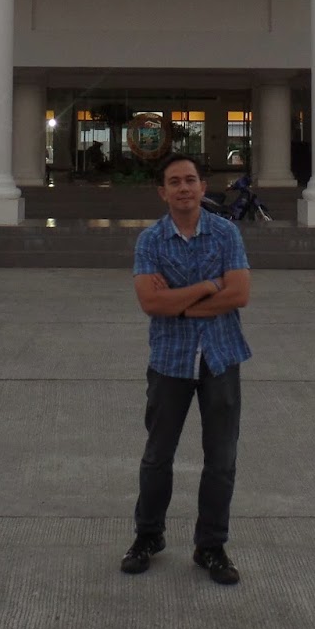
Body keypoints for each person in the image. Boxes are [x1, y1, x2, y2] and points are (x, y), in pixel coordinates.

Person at [120, 151, 251, 587]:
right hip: (170, 363)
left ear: (202, 187)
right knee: (157, 457)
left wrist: (181, 305)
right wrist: (207, 287)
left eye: (190, 180)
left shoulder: (226, 233)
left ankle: (210, 545)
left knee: (222, 459)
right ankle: (148, 536)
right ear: (163, 191)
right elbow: (150, 303)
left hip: (221, 357)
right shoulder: (150, 241)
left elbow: (239, 295)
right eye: (174, 181)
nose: (183, 188)